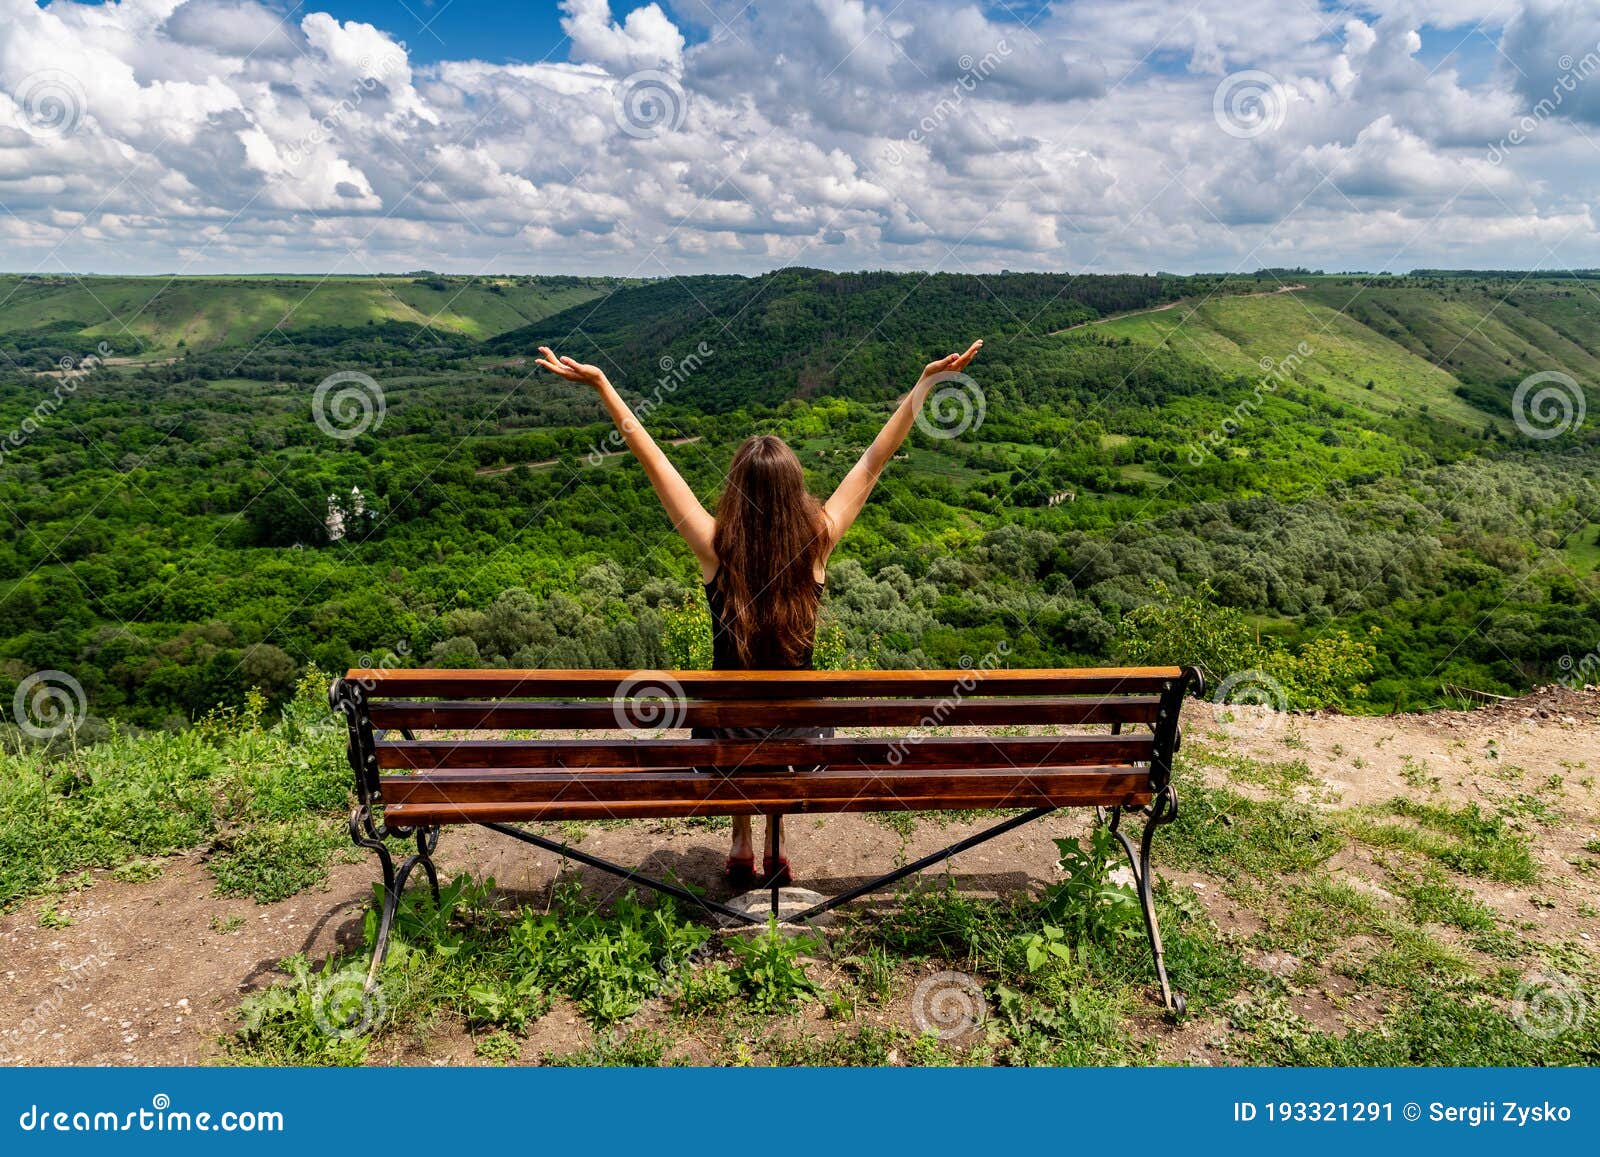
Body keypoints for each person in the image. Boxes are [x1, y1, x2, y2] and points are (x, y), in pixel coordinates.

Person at [534, 339, 983, 886]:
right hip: (801, 738)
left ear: (734, 492)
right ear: (796, 491)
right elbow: (872, 462)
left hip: (724, 735)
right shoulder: (818, 540)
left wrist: (604, 386)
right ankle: (773, 844)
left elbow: (654, 460)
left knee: (732, 719)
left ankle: (743, 842)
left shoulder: (715, 546)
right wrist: (924, 385)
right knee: (783, 726)